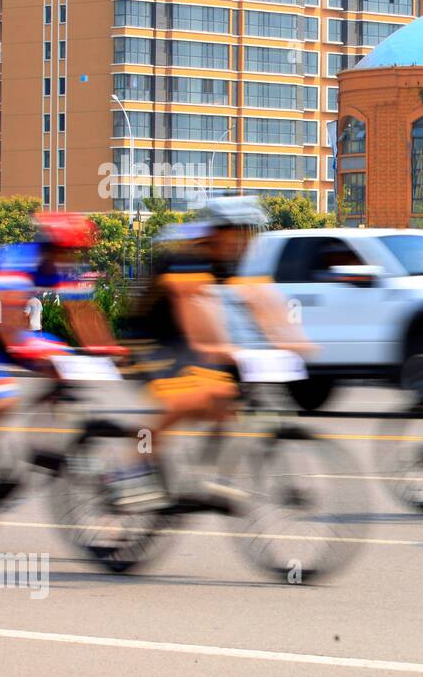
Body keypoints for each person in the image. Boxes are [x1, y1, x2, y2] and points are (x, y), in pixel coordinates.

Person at [124, 196, 311, 501]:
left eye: (249, 232)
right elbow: (194, 307)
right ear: (217, 232)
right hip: (153, 339)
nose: (245, 240)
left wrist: (290, 338)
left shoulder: (229, 262)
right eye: (239, 232)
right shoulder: (186, 259)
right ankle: (131, 468)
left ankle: (207, 477)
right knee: (186, 401)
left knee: (229, 401)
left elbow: (259, 298)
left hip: (189, 342)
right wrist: (219, 348)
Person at [0, 212, 116, 472]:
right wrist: (24, 348)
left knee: (65, 361)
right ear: (54, 247)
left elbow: (82, 311)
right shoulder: (17, 259)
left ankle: (45, 439)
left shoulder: (62, 266)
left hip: (9, 333)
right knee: (2, 402)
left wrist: (108, 347)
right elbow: (3, 314)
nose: (75, 257)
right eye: (72, 251)